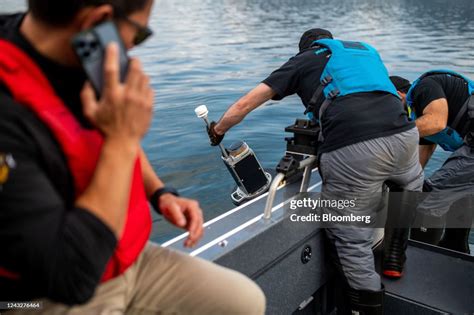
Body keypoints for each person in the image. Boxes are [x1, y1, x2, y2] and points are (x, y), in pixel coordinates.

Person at [0, 1, 266, 314]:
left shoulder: (87, 49)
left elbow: (117, 127)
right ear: (100, 20)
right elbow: (71, 276)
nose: (131, 48)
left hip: (128, 257)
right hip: (46, 292)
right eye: (138, 34)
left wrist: (159, 192)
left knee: (243, 302)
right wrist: (123, 138)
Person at [208, 28, 424, 314]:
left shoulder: (301, 61)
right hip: (405, 136)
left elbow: (246, 103)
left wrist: (218, 130)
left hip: (354, 147)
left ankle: (365, 308)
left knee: (350, 239)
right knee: (407, 187)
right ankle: (394, 259)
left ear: (303, 49)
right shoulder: (362, 51)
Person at [390, 72, 474, 254]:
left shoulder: (424, 87)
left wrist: (390, 132)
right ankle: (455, 251)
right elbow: (424, 153)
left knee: (427, 199)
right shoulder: (421, 112)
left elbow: (436, 122)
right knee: (460, 192)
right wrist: (408, 185)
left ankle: (424, 259)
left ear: (397, 95)